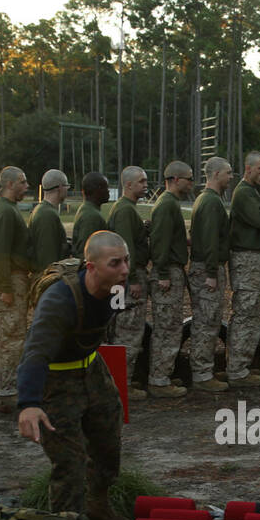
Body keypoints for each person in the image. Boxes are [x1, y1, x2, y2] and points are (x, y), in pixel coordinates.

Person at [16, 231, 130, 520]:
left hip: (92, 369)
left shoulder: (116, 288)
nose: (125, 270)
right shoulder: (59, 300)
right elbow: (36, 353)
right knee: (69, 462)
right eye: (115, 263)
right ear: (91, 267)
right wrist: (28, 403)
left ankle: (97, 505)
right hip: (57, 380)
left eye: (127, 261)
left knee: (108, 445)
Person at [227, 150, 260, 387]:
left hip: (253, 257)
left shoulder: (252, 190)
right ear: (248, 169)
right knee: (246, 313)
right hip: (246, 257)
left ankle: (241, 366)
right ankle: (237, 370)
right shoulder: (244, 192)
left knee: (254, 312)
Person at [147, 161, 194, 397]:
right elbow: (159, 243)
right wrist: (163, 273)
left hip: (172, 270)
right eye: (188, 178)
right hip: (167, 272)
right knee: (167, 327)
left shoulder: (170, 204)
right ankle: (159, 380)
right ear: (175, 179)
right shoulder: (167, 205)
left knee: (171, 325)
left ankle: (162, 375)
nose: (191, 183)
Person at [188, 157, 233, 393]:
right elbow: (209, 241)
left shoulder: (205, 200)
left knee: (206, 320)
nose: (231, 177)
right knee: (207, 322)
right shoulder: (211, 202)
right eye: (228, 173)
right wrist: (212, 272)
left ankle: (202, 371)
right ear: (215, 175)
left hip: (204, 268)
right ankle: (202, 374)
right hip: (207, 270)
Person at [107, 166, 152, 397]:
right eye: (141, 181)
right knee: (128, 332)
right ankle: (120, 386)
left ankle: (119, 383)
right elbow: (125, 249)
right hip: (127, 282)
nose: (145, 185)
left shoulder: (127, 209)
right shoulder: (125, 210)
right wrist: (132, 278)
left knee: (123, 330)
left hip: (122, 281)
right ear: (128, 185)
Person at [0, 165, 32, 406]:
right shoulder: (4, 211)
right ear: (9, 184)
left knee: (16, 336)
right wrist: (5, 287)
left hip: (16, 278)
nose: (26, 187)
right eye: (23, 182)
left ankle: (12, 388)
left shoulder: (10, 209)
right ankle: (8, 391)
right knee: (11, 337)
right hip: (10, 280)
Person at [28, 168, 70, 271]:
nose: (67, 189)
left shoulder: (43, 210)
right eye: (66, 186)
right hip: (47, 279)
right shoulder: (47, 215)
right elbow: (47, 259)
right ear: (60, 188)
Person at [72, 171, 109, 258]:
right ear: (97, 189)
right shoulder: (92, 216)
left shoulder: (87, 209)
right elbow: (86, 253)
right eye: (106, 187)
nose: (108, 191)